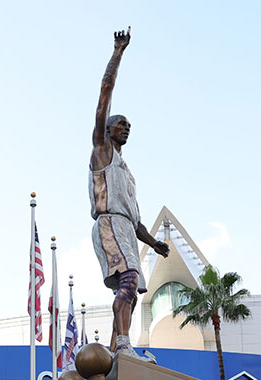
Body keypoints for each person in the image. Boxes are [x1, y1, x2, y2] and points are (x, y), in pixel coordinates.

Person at [89, 27, 170, 362]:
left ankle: (115, 350)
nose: (126, 127)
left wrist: (154, 244)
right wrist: (118, 53)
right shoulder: (102, 151)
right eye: (121, 123)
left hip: (125, 226)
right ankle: (122, 344)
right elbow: (104, 94)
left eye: (129, 126)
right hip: (109, 223)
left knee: (132, 290)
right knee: (129, 279)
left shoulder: (126, 170)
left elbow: (135, 221)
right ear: (108, 129)